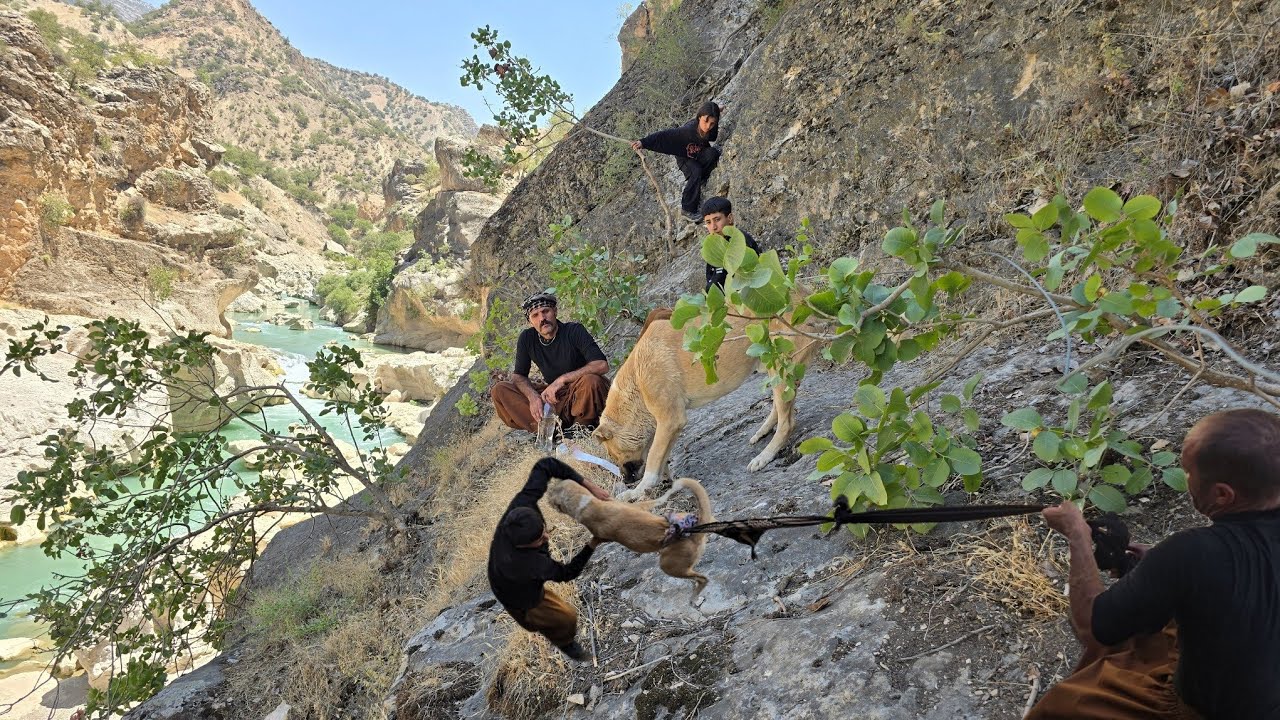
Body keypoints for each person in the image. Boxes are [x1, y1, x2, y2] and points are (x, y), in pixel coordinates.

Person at [1029, 408, 1280, 719]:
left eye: (1189, 472)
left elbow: (1094, 627)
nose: (1185, 480)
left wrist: (1077, 535)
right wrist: (1165, 570)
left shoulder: (1191, 552)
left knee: (1065, 706)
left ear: (1223, 494)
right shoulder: (1194, 557)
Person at [488, 457, 612, 659]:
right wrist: (592, 544)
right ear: (523, 547)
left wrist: (590, 486)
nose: (547, 537)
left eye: (543, 530)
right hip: (516, 594)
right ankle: (566, 644)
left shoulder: (523, 503)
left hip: (512, 571)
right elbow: (567, 573)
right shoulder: (527, 564)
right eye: (539, 540)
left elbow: (546, 464)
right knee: (565, 618)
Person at [490, 292, 611, 434]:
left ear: (555, 311)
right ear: (530, 321)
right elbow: (519, 376)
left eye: (545, 311)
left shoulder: (574, 330)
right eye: (535, 315)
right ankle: (547, 430)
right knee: (500, 390)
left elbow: (601, 365)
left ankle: (579, 430)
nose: (542, 318)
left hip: (582, 393)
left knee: (592, 381)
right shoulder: (527, 339)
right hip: (554, 399)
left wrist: (561, 380)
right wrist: (533, 397)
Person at [630, 101, 721, 221]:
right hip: (685, 158)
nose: (708, 126)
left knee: (712, 153)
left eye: (712, 123)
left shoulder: (710, 127)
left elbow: (712, 133)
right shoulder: (685, 131)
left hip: (699, 153)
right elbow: (663, 136)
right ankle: (687, 209)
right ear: (699, 117)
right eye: (705, 121)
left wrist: (718, 110)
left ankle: (700, 180)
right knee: (696, 171)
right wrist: (643, 142)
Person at [700, 196, 761, 292]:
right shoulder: (713, 247)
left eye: (717, 219)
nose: (713, 227)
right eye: (708, 222)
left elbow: (749, 278)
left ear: (730, 218)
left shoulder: (741, 241)